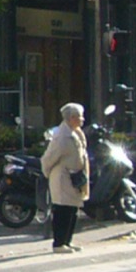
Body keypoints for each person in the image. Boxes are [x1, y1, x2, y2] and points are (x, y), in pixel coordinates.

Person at [40, 102, 89, 254]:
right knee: (62, 210)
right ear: (72, 118)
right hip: (62, 178)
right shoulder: (62, 136)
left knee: (72, 210)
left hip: (74, 177)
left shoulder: (76, 132)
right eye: (80, 117)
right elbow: (48, 158)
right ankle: (59, 243)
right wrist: (48, 173)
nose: (82, 119)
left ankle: (67, 241)